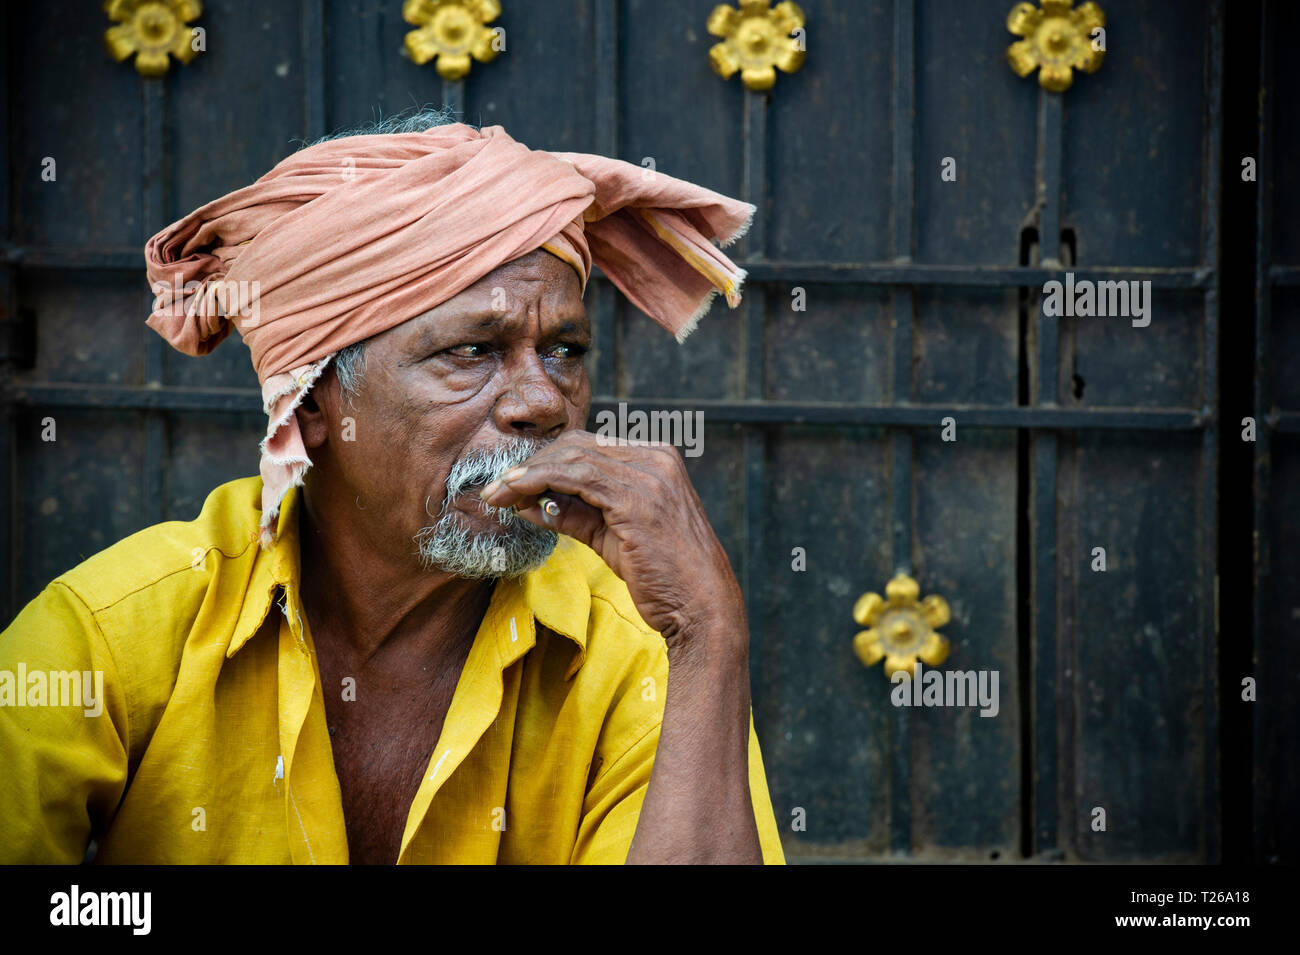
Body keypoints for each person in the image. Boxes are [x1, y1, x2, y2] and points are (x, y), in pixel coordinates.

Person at [0, 109, 785, 864]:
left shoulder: (642, 646)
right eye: (474, 350)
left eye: (566, 350)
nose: (544, 401)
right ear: (308, 402)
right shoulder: (113, 633)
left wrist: (710, 633)